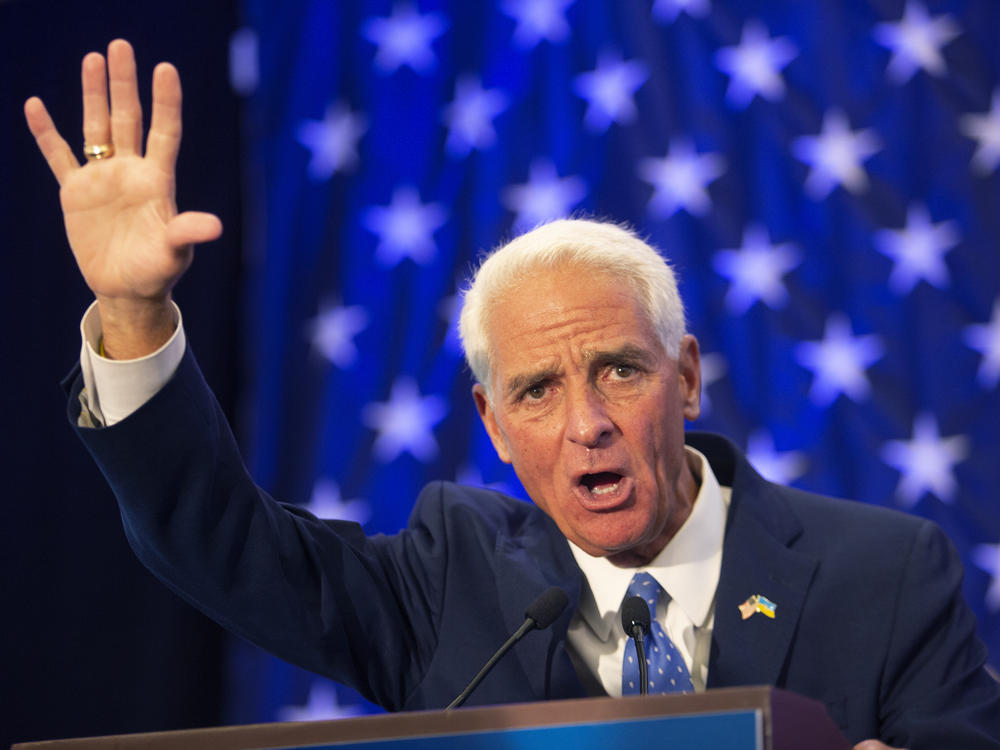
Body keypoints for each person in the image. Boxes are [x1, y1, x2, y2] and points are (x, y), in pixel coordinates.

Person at [25, 40, 1000, 750]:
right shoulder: (450, 583)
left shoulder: (883, 575)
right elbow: (218, 543)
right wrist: (131, 310)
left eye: (619, 369)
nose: (587, 425)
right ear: (491, 426)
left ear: (687, 376)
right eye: (536, 391)